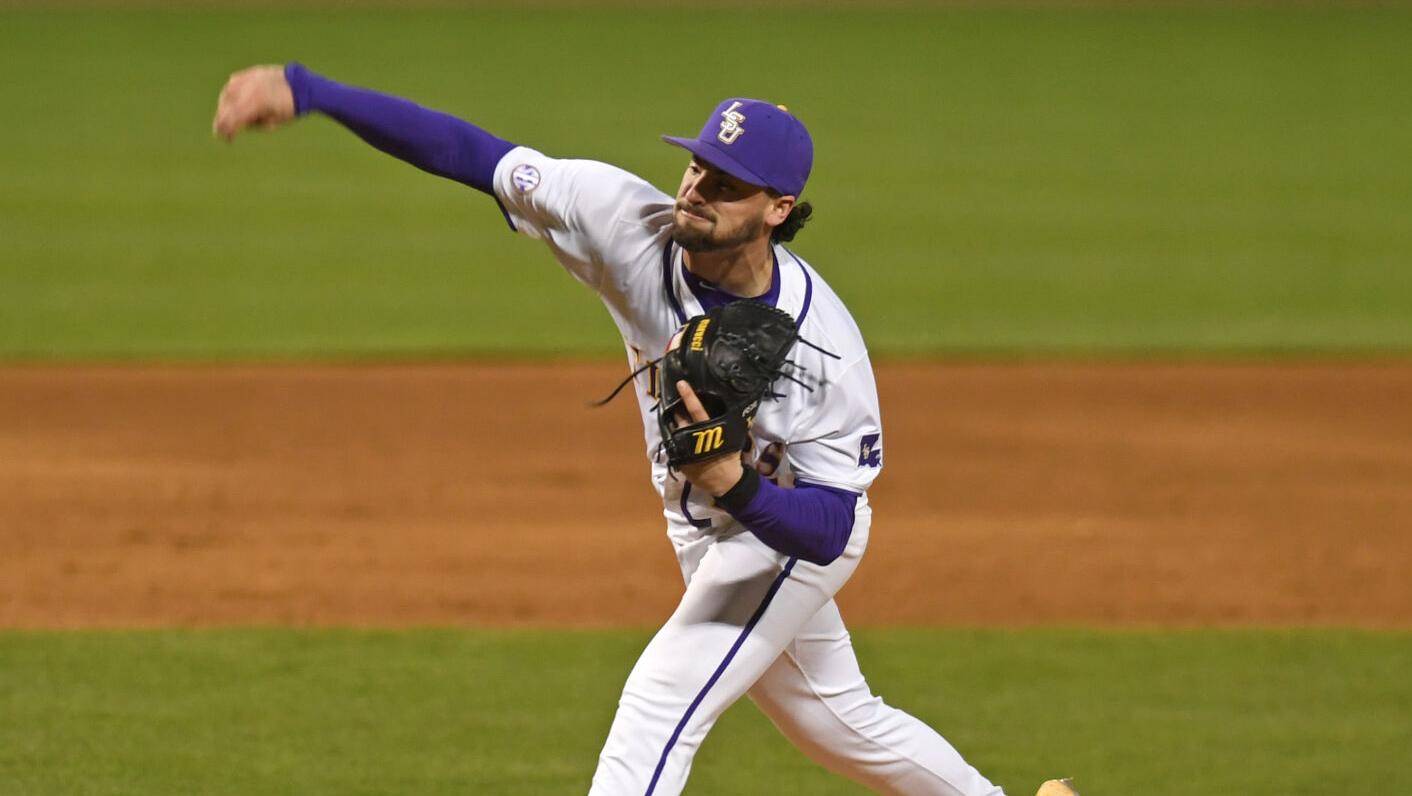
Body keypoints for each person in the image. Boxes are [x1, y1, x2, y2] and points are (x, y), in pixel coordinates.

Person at [213, 63, 1074, 796]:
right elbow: (470, 153)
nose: (696, 190)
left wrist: (737, 485)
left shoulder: (826, 353)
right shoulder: (622, 218)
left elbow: (837, 527)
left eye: (726, 184)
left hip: (782, 537)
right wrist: (309, 88)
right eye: (698, 165)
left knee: (659, 704)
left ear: (778, 208)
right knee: (838, 722)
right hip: (700, 525)